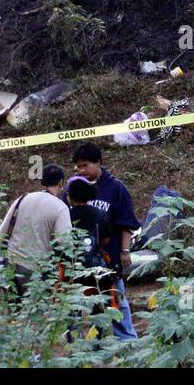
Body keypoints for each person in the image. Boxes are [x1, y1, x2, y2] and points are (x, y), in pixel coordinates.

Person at [69, 142, 140, 339]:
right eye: (78, 167)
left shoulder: (116, 188)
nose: (82, 170)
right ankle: (92, 348)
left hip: (110, 259)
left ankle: (128, 344)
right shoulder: (75, 188)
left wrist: (125, 251)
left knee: (117, 303)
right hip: (81, 264)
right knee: (89, 306)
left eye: (85, 165)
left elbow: (127, 222)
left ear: (98, 162)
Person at [0, 163, 72, 297]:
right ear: (61, 182)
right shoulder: (61, 208)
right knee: (36, 315)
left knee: (14, 313)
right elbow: (66, 244)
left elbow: (1, 234)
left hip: (10, 265)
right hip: (35, 271)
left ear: (42, 181)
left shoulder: (22, 199)